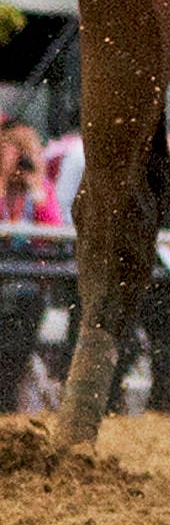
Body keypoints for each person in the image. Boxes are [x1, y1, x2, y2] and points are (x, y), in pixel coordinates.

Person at [0, 122, 62, 412]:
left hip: (29, 285)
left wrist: (36, 187)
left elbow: (52, 233)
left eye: (28, 149)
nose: (21, 158)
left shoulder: (41, 189)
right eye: (16, 148)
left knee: (17, 352)